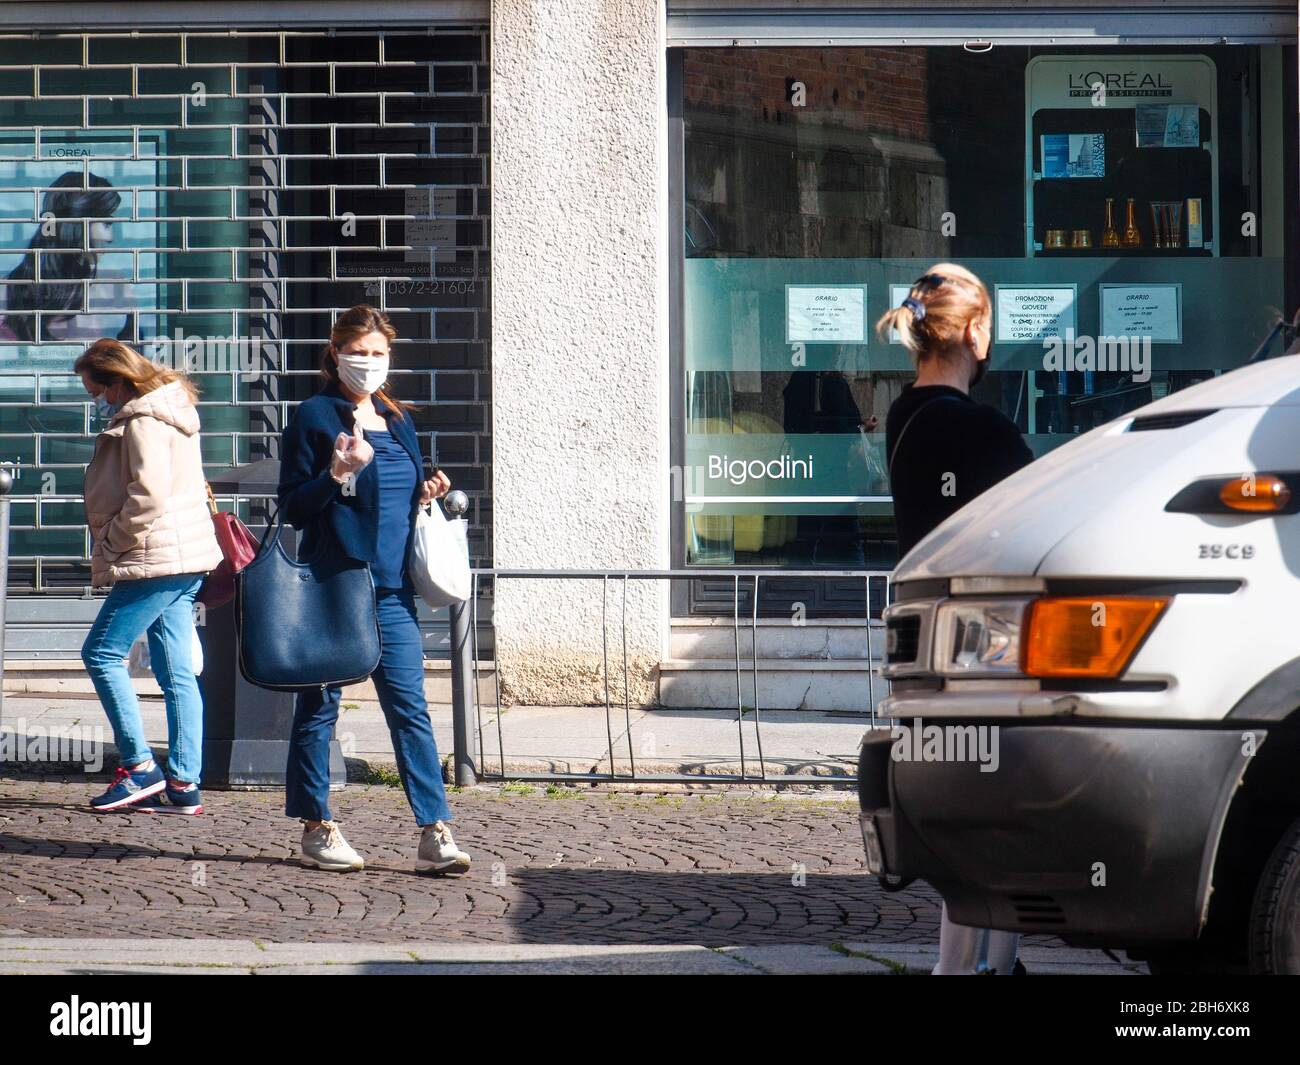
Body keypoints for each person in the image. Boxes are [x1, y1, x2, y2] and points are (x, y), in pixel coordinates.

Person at [875, 264, 1033, 975]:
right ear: (974, 330)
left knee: (974, 824)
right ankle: (982, 968)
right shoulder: (980, 429)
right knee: (1004, 821)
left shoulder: (906, 413)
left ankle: (976, 967)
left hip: (927, 644)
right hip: (988, 648)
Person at [277, 303, 470, 875]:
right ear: (335, 354)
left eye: (378, 353)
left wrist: (425, 491)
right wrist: (335, 475)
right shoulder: (314, 416)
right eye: (358, 352)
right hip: (336, 586)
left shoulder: (398, 418)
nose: (368, 362)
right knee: (319, 708)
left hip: (392, 590)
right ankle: (317, 826)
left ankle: (435, 831)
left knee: (410, 709)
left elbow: (394, 495)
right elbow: (292, 506)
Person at [77, 338, 222, 815]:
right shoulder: (173, 409)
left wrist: (112, 544)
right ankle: (183, 784)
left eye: (96, 391)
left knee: (100, 652)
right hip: (185, 558)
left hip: (154, 557)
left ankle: (138, 768)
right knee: (177, 672)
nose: (98, 401)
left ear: (116, 380)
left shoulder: (142, 419)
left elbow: (148, 496)